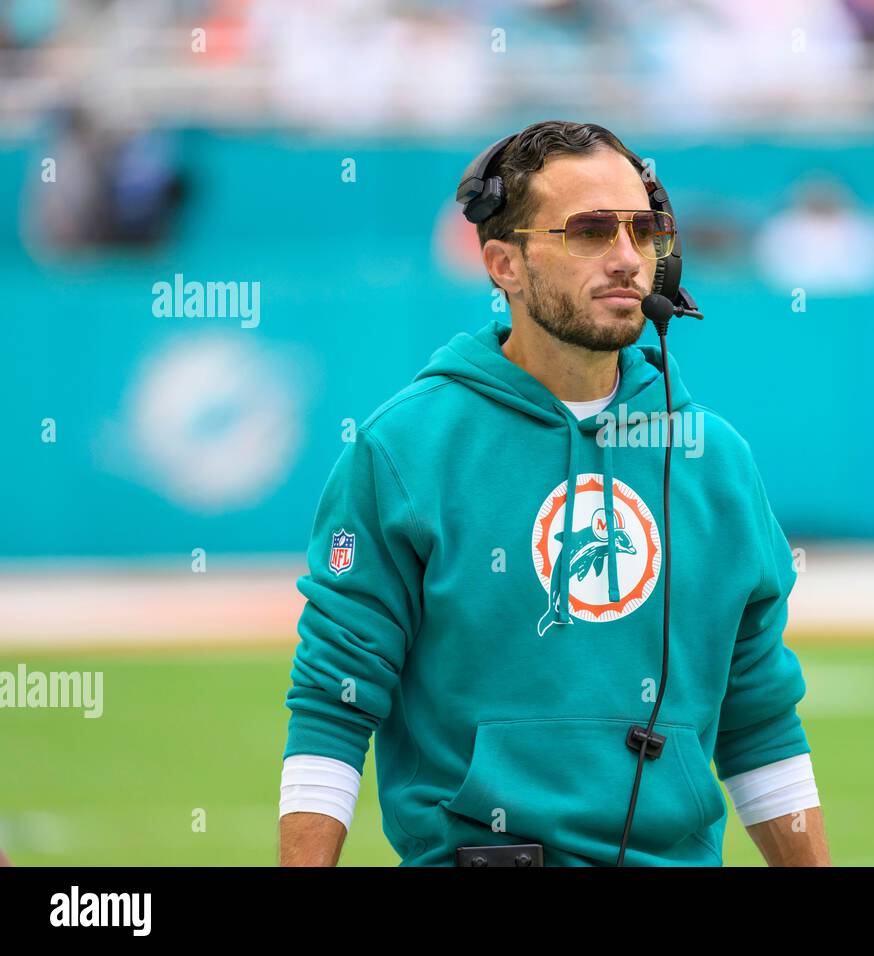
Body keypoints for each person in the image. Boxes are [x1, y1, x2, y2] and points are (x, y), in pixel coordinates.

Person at [278, 120, 830, 867]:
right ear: (503, 263)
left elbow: (758, 719)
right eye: (591, 231)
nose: (629, 259)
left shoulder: (714, 459)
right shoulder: (403, 450)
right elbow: (333, 706)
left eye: (644, 229)